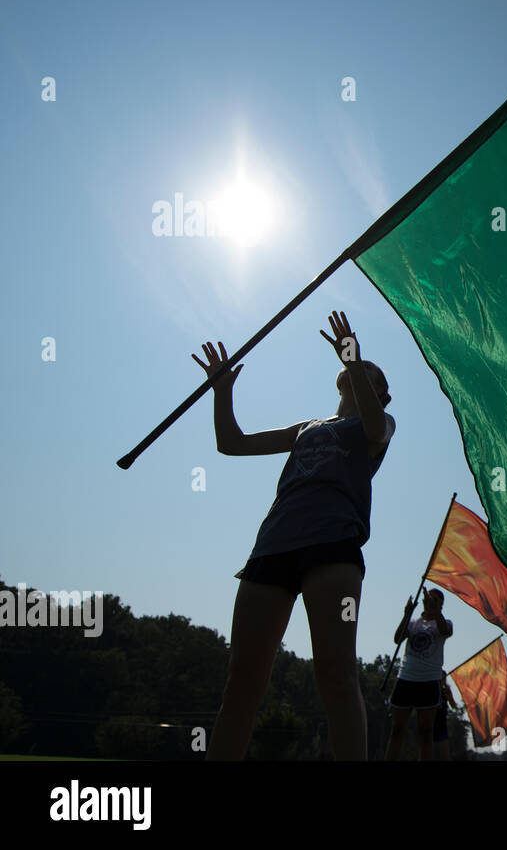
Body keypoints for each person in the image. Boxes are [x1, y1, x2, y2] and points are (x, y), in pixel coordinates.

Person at [198, 310, 396, 761]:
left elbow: (370, 425)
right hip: (272, 547)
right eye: (356, 369)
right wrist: (222, 391)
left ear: (383, 394)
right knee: (242, 679)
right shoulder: (308, 427)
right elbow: (231, 442)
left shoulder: (381, 424)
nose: (359, 371)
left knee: (335, 672)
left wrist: (354, 359)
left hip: (333, 548)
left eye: (370, 372)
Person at [385, 587, 453, 761]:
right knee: (397, 729)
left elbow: (445, 631)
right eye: (428, 600)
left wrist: (436, 610)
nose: (430, 603)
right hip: (406, 679)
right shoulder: (413, 623)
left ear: (441, 605)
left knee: (425, 732)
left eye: (435, 600)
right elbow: (397, 638)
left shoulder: (443, 623)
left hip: (429, 681)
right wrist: (407, 613)